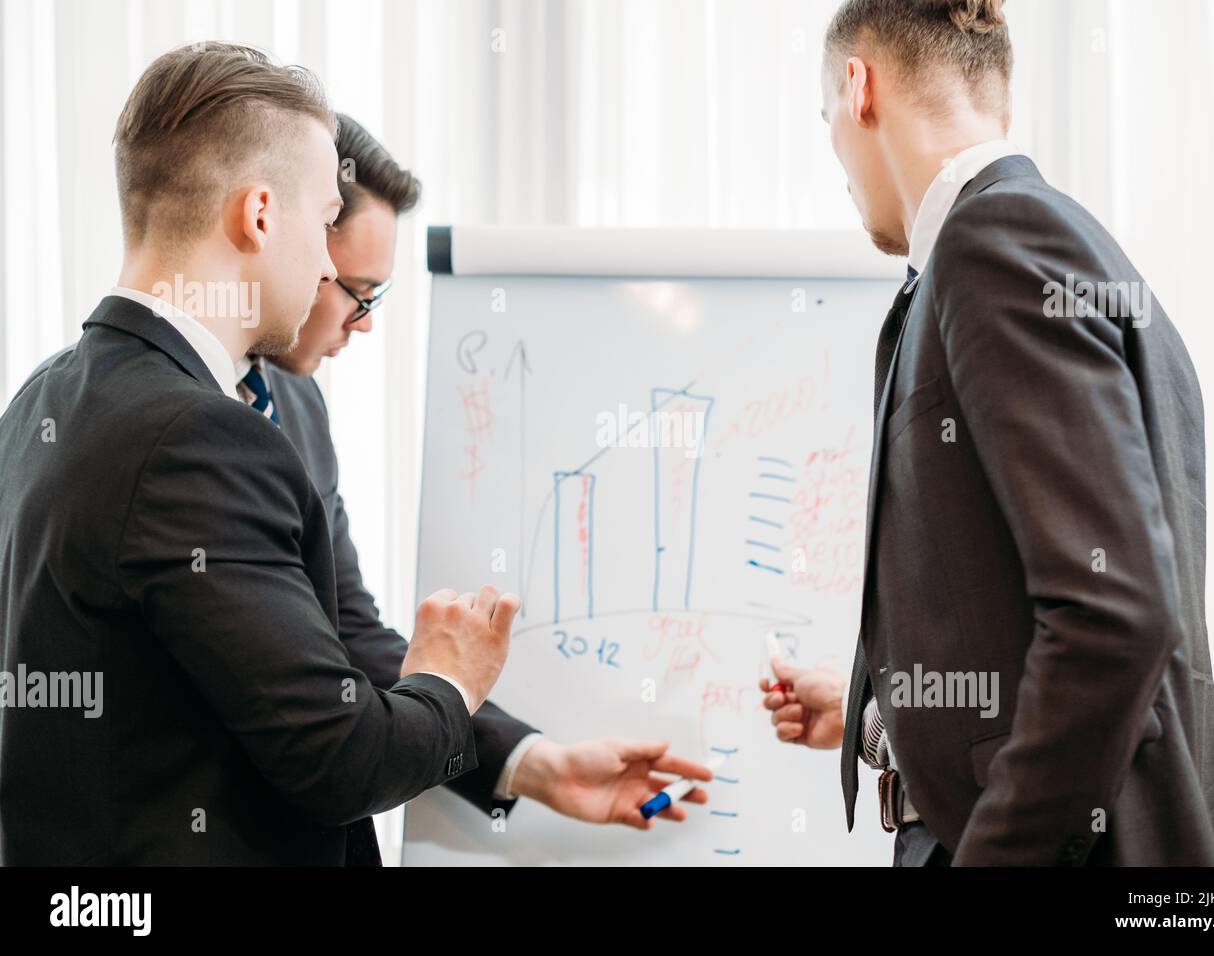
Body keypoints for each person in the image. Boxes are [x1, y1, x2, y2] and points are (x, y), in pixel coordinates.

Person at [0, 42, 519, 865]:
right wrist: (449, 676)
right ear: (261, 215)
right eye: (320, 227)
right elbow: (342, 761)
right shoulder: (196, 437)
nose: (322, 264)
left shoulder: (41, 398)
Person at [761, 0, 1214, 867]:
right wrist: (888, 715)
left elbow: (1114, 622)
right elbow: (1039, 626)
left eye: (823, 115)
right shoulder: (1058, 245)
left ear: (857, 87)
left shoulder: (993, 241)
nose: (834, 157)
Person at [244, 113, 713, 829]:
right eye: (356, 292)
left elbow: (351, 633)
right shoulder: (168, 422)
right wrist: (448, 677)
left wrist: (540, 766)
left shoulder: (298, 405)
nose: (364, 323)